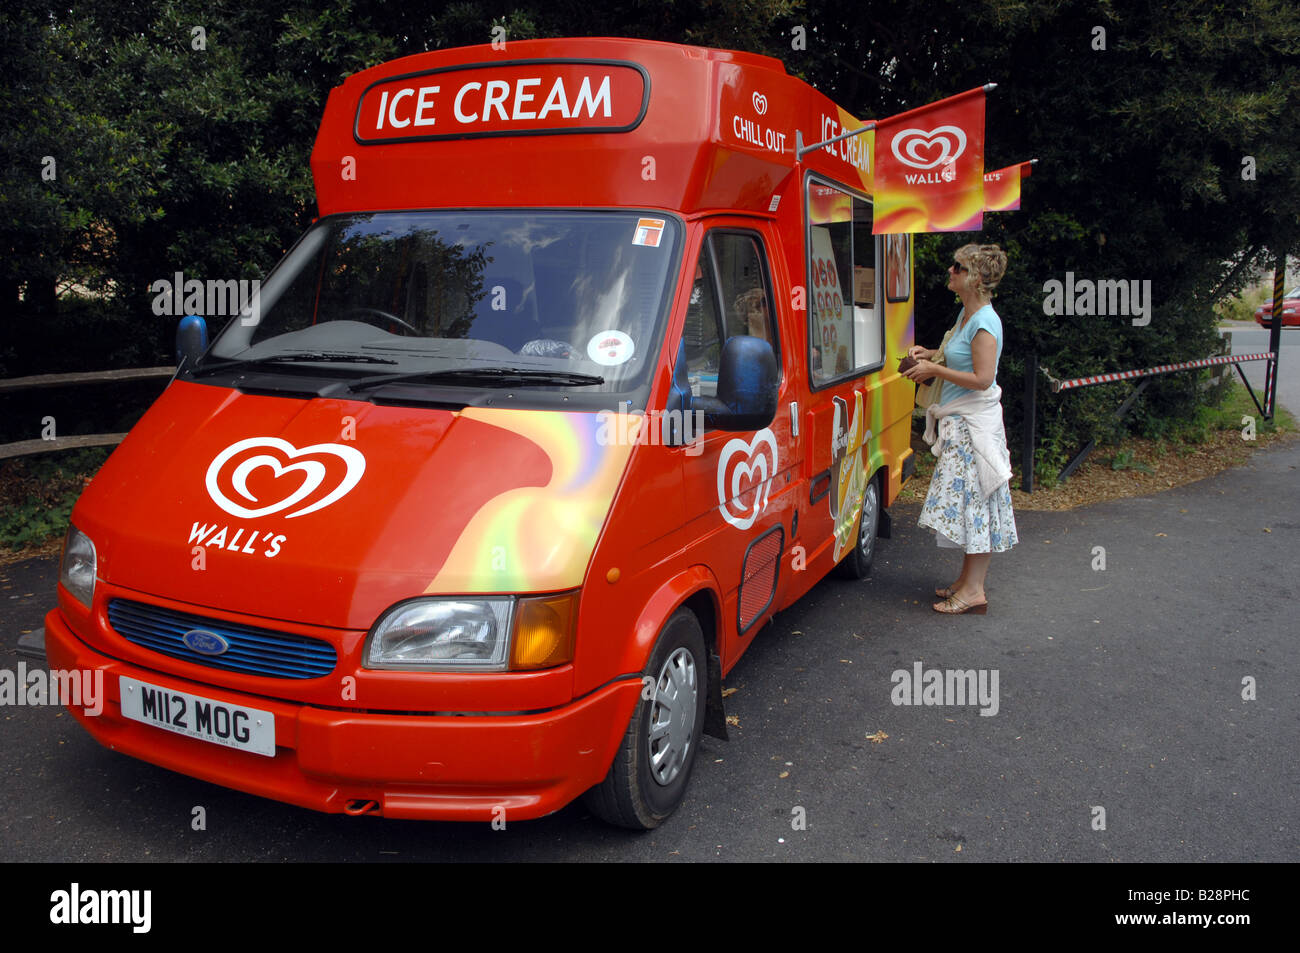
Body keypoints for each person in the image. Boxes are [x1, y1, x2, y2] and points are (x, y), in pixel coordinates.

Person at [901, 244, 1017, 614]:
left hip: (973, 427)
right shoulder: (967, 315)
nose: (950, 271)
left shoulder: (984, 321)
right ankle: (967, 583)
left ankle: (974, 591)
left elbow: (982, 379)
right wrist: (931, 354)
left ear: (977, 278)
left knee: (976, 505)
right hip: (962, 423)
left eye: (959, 267)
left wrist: (935, 371)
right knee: (970, 505)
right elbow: (960, 357)